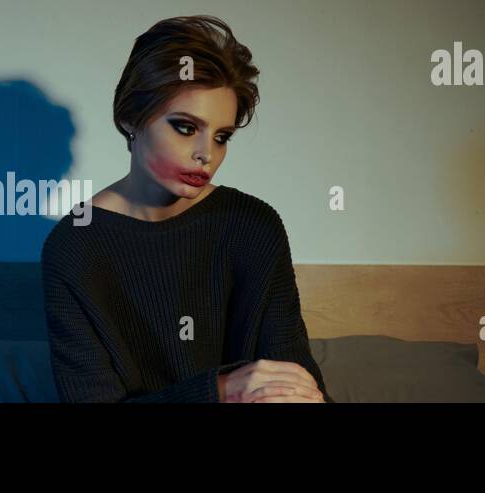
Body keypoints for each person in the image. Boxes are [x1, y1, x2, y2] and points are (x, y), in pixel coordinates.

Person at [42, 15, 332, 403]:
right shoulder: (75, 246)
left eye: (222, 136)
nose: (206, 155)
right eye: (184, 127)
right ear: (130, 118)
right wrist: (220, 391)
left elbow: (294, 379)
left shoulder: (252, 225)